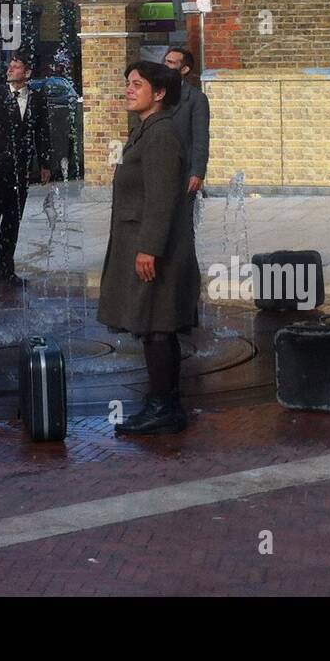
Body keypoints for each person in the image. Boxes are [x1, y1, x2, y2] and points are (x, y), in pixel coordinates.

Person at [97, 61, 192, 434]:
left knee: (158, 326)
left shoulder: (161, 134)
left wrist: (149, 248)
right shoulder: (144, 130)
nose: (129, 89)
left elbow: (162, 198)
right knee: (154, 326)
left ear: (160, 93)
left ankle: (163, 408)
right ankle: (164, 403)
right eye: (128, 84)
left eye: (138, 84)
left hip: (157, 250)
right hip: (142, 242)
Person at [0, 53, 52, 290]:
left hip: (21, 171)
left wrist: (45, 163)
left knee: (12, 222)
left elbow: (42, 131)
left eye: (16, 67)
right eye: (10, 65)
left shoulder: (36, 98)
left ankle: (6, 271)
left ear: (27, 73)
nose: (10, 69)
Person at [163, 45, 209, 324]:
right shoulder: (158, 94)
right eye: (165, 61)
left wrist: (197, 172)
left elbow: (201, 138)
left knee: (182, 236)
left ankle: (188, 298)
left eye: (172, 62)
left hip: (183, 177)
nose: (166, 65)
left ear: (185, 69)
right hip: (161, 174)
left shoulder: (195, 99)